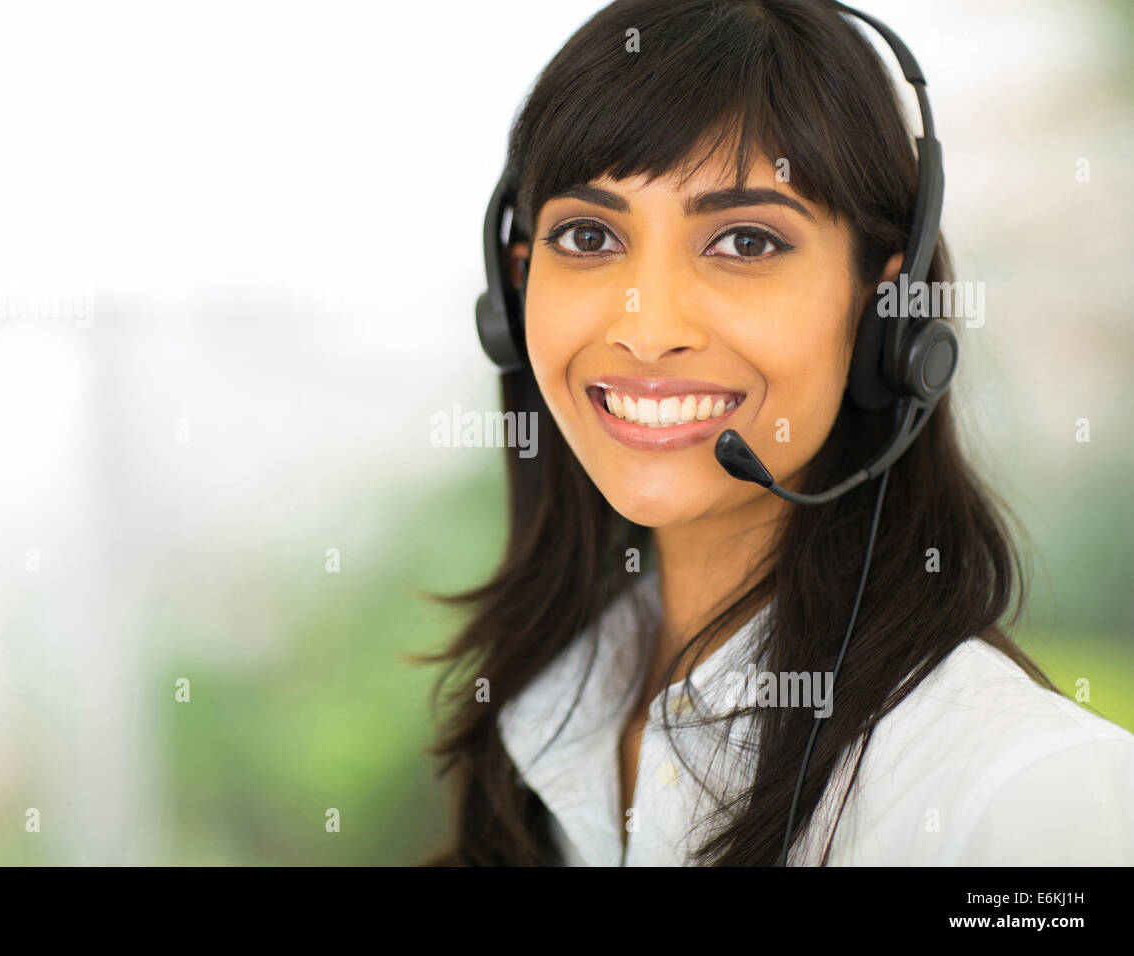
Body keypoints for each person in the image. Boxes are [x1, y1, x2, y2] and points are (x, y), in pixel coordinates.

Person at [415, 0, 1134, 865]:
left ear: (883, 309)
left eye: (746, 242)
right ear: (516, 291)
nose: (647, 330)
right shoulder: (539, 721)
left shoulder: (1027, 791)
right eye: (590, 234)